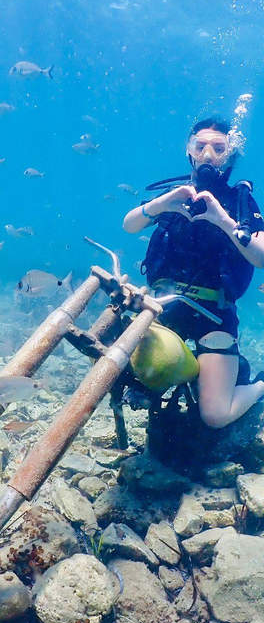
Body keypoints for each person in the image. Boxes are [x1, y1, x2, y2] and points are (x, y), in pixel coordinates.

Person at [123, 117, 264, 428]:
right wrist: (161, 204)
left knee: (214, 416)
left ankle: (259, 385)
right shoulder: (175, 195)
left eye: (218, 148)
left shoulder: (240, 201)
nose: (208, 155)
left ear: (230, 155)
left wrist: (222, 220)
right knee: (127, 376)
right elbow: (129, 224)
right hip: (162, 307)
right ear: (189, 152)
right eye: (200, 147)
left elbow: (262, 257)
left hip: (214, 314)